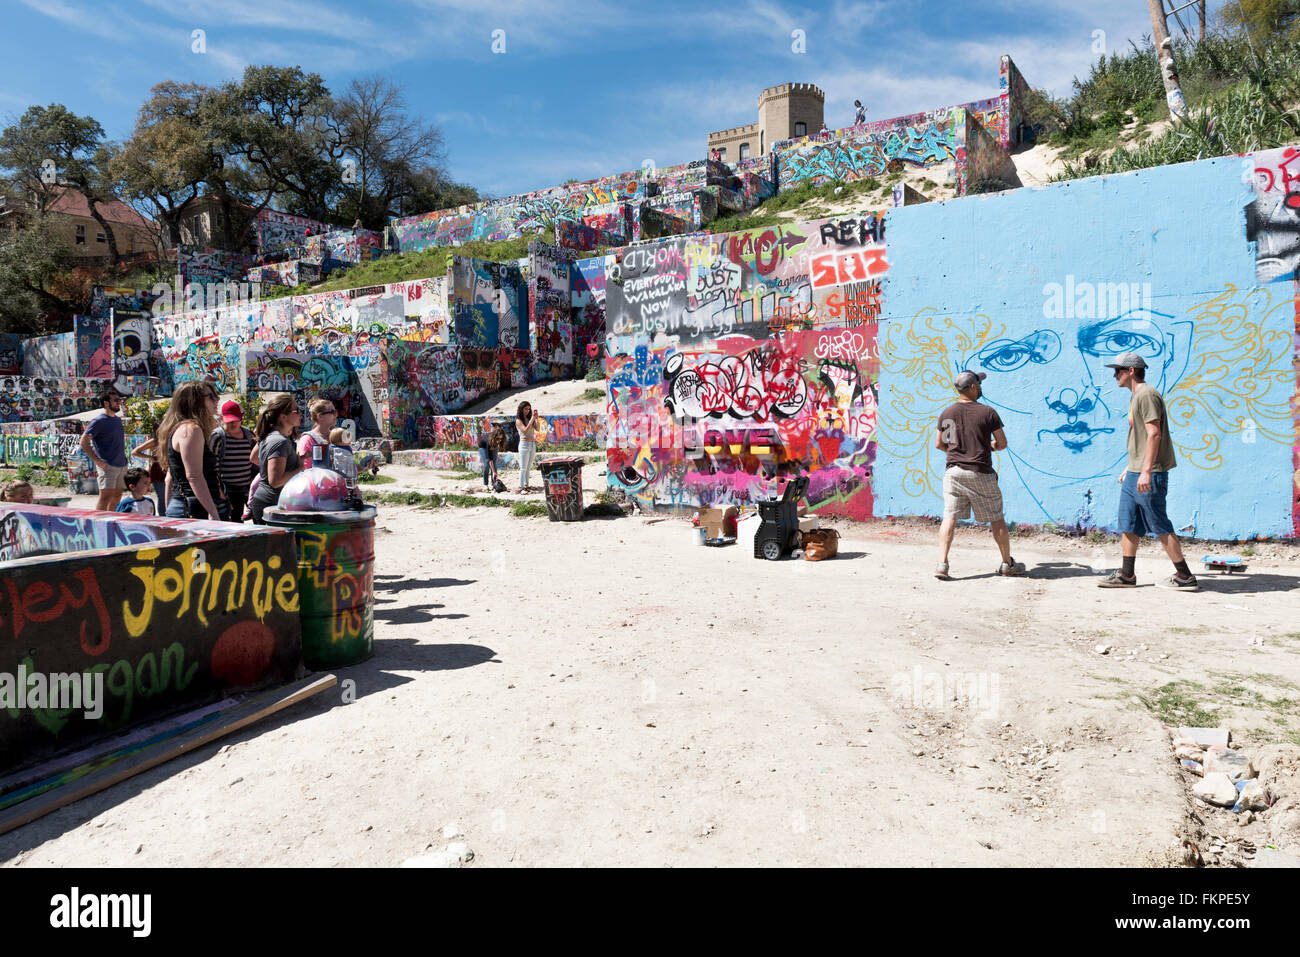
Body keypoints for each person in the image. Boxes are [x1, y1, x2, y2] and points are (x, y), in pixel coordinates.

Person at [1098, 353, 1198, 591]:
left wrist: (1145, 472)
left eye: (1118, 370)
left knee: (1159, 523)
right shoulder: (1136, 396)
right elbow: (1141, 439)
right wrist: (1130, 467)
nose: (1115, 375)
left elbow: (1154, 433)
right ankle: (1127, 575)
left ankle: (1185, 577)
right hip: (1136, 470)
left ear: (1132, 371)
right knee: (1129, 523)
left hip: (1149, 473)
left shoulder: (1147, 395)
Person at [934, 370, 1025, 579]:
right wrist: (988, 447)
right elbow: (1002, 443)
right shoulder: (988, 413)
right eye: (979, 384)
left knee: (949, 517)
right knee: (996, 519)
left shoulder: (947, 412)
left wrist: (959, 453)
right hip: (980, 472)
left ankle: (942, 564)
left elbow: (940, 444)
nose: (981, 387)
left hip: (953, 472)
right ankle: (1006, 563)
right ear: (973, 387)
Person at [159, 381, 229, 521]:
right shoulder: (191, 430)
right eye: (210, 396)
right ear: (194, 401)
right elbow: (194, 476)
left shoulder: (182, 428)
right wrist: (213, 512)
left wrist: (169, 511)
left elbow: (169, 478)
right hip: (194, 508)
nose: (217, 399)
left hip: (186, 506)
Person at [248, 394, 305, 524]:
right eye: (296, 410)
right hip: (270, 504)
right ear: (283, 416)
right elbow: (275, 481)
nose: (300, 413)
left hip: (268, 502)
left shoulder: (271, 435)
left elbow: (254, 457)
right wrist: (301, 469)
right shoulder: (280, 441)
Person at [80, 387, 127, 511]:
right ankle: (98, 526)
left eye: (119, 400)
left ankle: (111, 522)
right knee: (105, 497)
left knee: (117, 497)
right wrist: (97, 460)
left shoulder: (117, 419)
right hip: (107, 466)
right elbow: (83, 441)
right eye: (116, 400)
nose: (118, 402)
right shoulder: (98, 421)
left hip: (121, 464)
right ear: (106, 403)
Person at [211, 400, 258, 523]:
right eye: (229, 421)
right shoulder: (218, 437)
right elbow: (212, 468)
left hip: (247, 488)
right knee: (232, 522)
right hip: (228, 490)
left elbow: (256, 461)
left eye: (235, 420)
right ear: (221, 419)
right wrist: (219, 492)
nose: (232, 424)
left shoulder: (248, 435)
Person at [130, 433, 168, 515]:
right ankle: (163, 520)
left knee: (170, 498)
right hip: (159, 472)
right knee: (162, 499)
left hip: (170, 471)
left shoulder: (172, 437)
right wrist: (151, 457)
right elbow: (134, 452)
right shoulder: (155, 441)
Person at [297, 398, 337, 468]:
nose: (336, 415)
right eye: (332, 412)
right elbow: (305, 469)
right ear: (320, 416)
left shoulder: (336, 436)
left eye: (335, 411)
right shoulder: (307, 439)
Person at [515, 402, 539, 493]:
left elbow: (537, 429)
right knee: (523, 467)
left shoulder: (529, 418)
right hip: (524, 445)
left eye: (529, 409)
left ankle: (526, 484)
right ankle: (520, 486)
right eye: (526, 409)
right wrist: (532, 420)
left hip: (532, 444)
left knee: (528, 467)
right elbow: (525, 430)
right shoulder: (518, 420)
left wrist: (536, 419)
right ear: (521, 409)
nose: (527, 411)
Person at [477, 425, 504, 490]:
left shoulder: (499, 440)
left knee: (494, 464)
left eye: (501, 439)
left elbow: (493, 461)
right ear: (494, 437)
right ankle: (485, 484)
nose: (499, 440)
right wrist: (494, 471)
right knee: (486, 464)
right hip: (483, 447)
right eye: (498, 439)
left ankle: (494, 483)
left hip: (493, 445)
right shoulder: (488, 441)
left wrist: (494, 471)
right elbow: (489, 458)